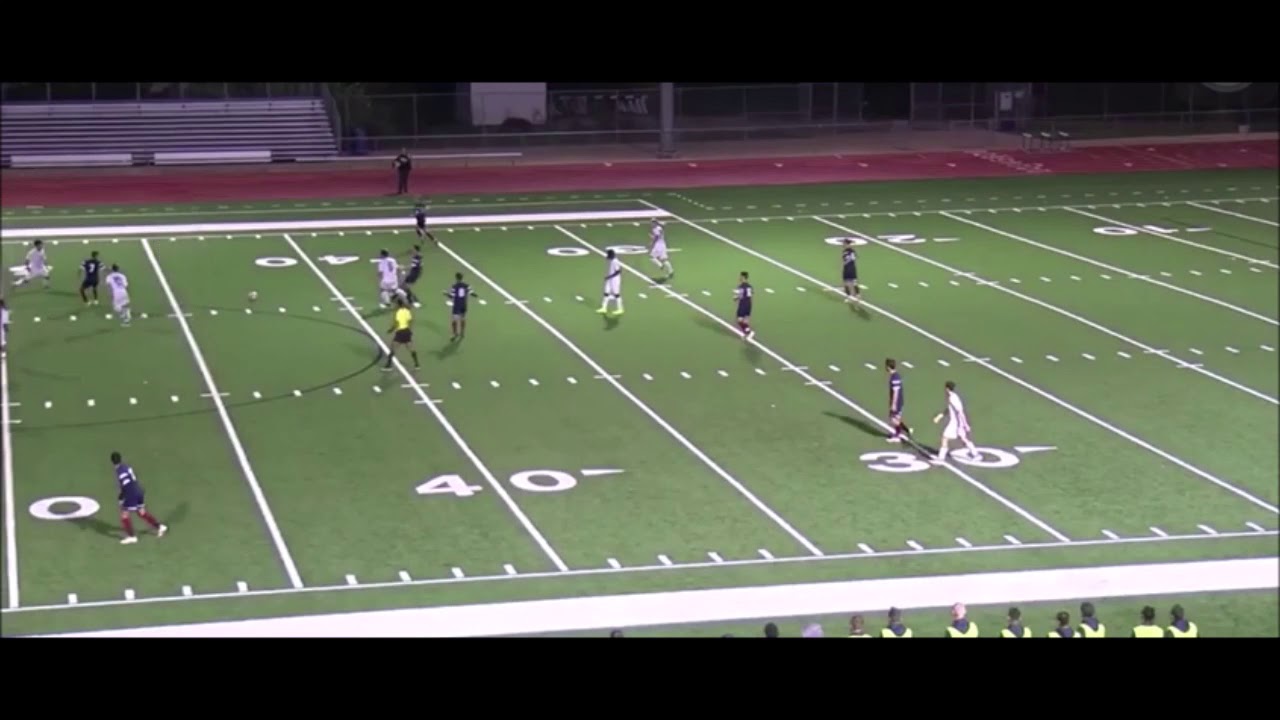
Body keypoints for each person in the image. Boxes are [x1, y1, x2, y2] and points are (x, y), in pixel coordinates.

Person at [111, 452, 167, 545]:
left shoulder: (120, 472)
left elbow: (126, 485)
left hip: (131, 493)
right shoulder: (127, 467)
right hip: (139, 490)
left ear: (112, 462)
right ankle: (160, 527)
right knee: (142, 512)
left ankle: (132, 537)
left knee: (124, 515)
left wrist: (121, 497)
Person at [384, 296, 420, 371]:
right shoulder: (407, 311)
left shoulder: (398, 312)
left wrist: (391, 330)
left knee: (393, 348)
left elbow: (396, 323)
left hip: (400, 332)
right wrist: (410, 329)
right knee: (410, 348)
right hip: (407, 331)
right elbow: (410, 321)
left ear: (397, 304)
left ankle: (388, 365)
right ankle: (417, 364)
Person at [597, 249, 624, 317]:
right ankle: (604, 308)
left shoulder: (615, 261)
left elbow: (618, 271)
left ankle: (620, 309)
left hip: (615, 280)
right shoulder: (612, 260)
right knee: (606, 293)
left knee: (616, 294)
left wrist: (609, 277)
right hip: (610, 279)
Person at [734, 271, 754, 340]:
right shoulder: (750, 286)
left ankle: (749, 332)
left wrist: (735, 297)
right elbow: (751, 295)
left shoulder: (741, 287)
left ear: (743, 277)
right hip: (749, 304)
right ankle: (747, 333)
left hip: (742, 305)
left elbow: (738, 297)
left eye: (740, 276)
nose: (739, 278)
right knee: (745, 321)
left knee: (739, 320)